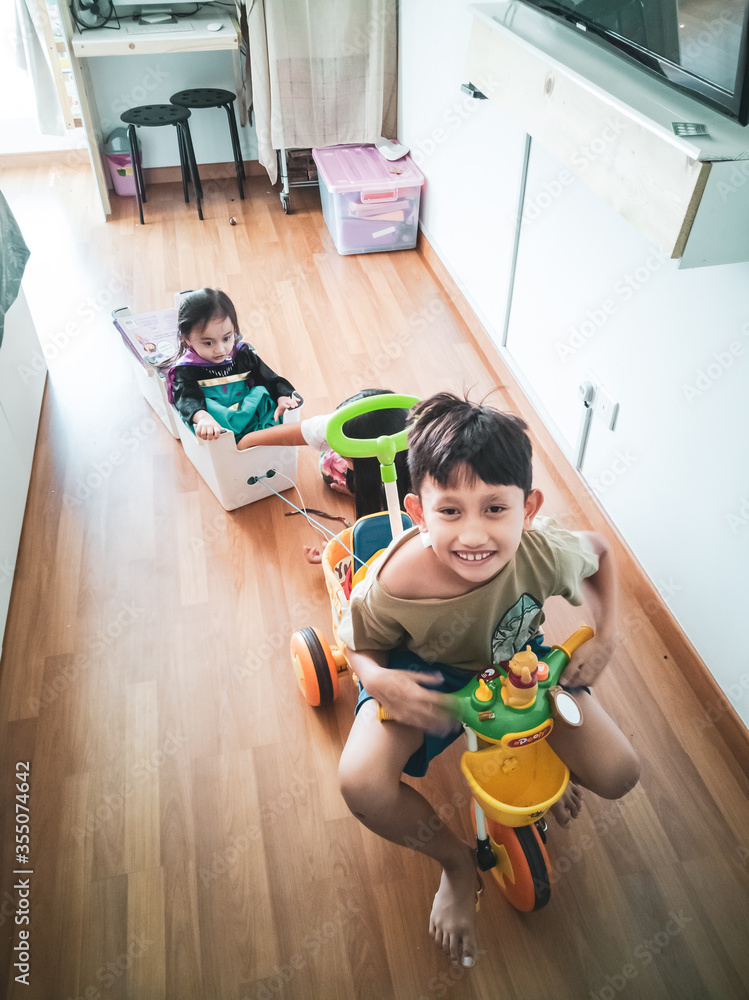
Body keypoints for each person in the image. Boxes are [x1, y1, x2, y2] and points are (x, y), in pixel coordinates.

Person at [336, 392, 640, 970]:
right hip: (423, 672)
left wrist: (606, 636)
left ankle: (541, 755)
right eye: (450, 511)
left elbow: (599, 555)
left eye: (495, 509)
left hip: (517, 667)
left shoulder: (544, 549)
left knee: (620, 773)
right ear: (419, 513)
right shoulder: (397, 578)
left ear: (528, 508)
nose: (473, 535)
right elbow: (360, 644)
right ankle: (455, 865)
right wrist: (380, 679)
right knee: (362, 783)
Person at [236, 389, 412, 560]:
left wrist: (340, 553)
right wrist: (247, 441)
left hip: (402, 489)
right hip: (382, 472)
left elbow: (393, 549)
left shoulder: (423, 486)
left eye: (346, 457)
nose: (341, 458)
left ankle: (371, 490)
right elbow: (298, 432)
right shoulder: (346, 425)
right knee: (328, 466)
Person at [166, 288, 300, 440]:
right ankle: (245, 441)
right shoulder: (186, 368)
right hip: (217, 423)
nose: (220, 350)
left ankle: (260, 437)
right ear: (187, 339)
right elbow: (187, 399)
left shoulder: (242, 354)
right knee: (205, 410)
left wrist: (282, 396)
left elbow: (268, 378)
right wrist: (203, 418)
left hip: (248, 412)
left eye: (226, 338)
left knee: (263, 393)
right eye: (208, 343)